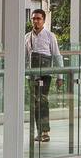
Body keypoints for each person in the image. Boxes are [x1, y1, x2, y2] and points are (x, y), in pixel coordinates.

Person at [25, 8, 64, 143]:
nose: (35, 21)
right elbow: (25, 59)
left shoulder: (50, 36)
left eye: (38, 19)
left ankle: (45, 131)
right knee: (35, 103)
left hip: (45, 74)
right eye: (33, 18)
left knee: (42, 100)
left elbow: (57, 56)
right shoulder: (27, 37)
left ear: (44, 20)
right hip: (32, 74)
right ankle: (39, 131)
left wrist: (60, 76)